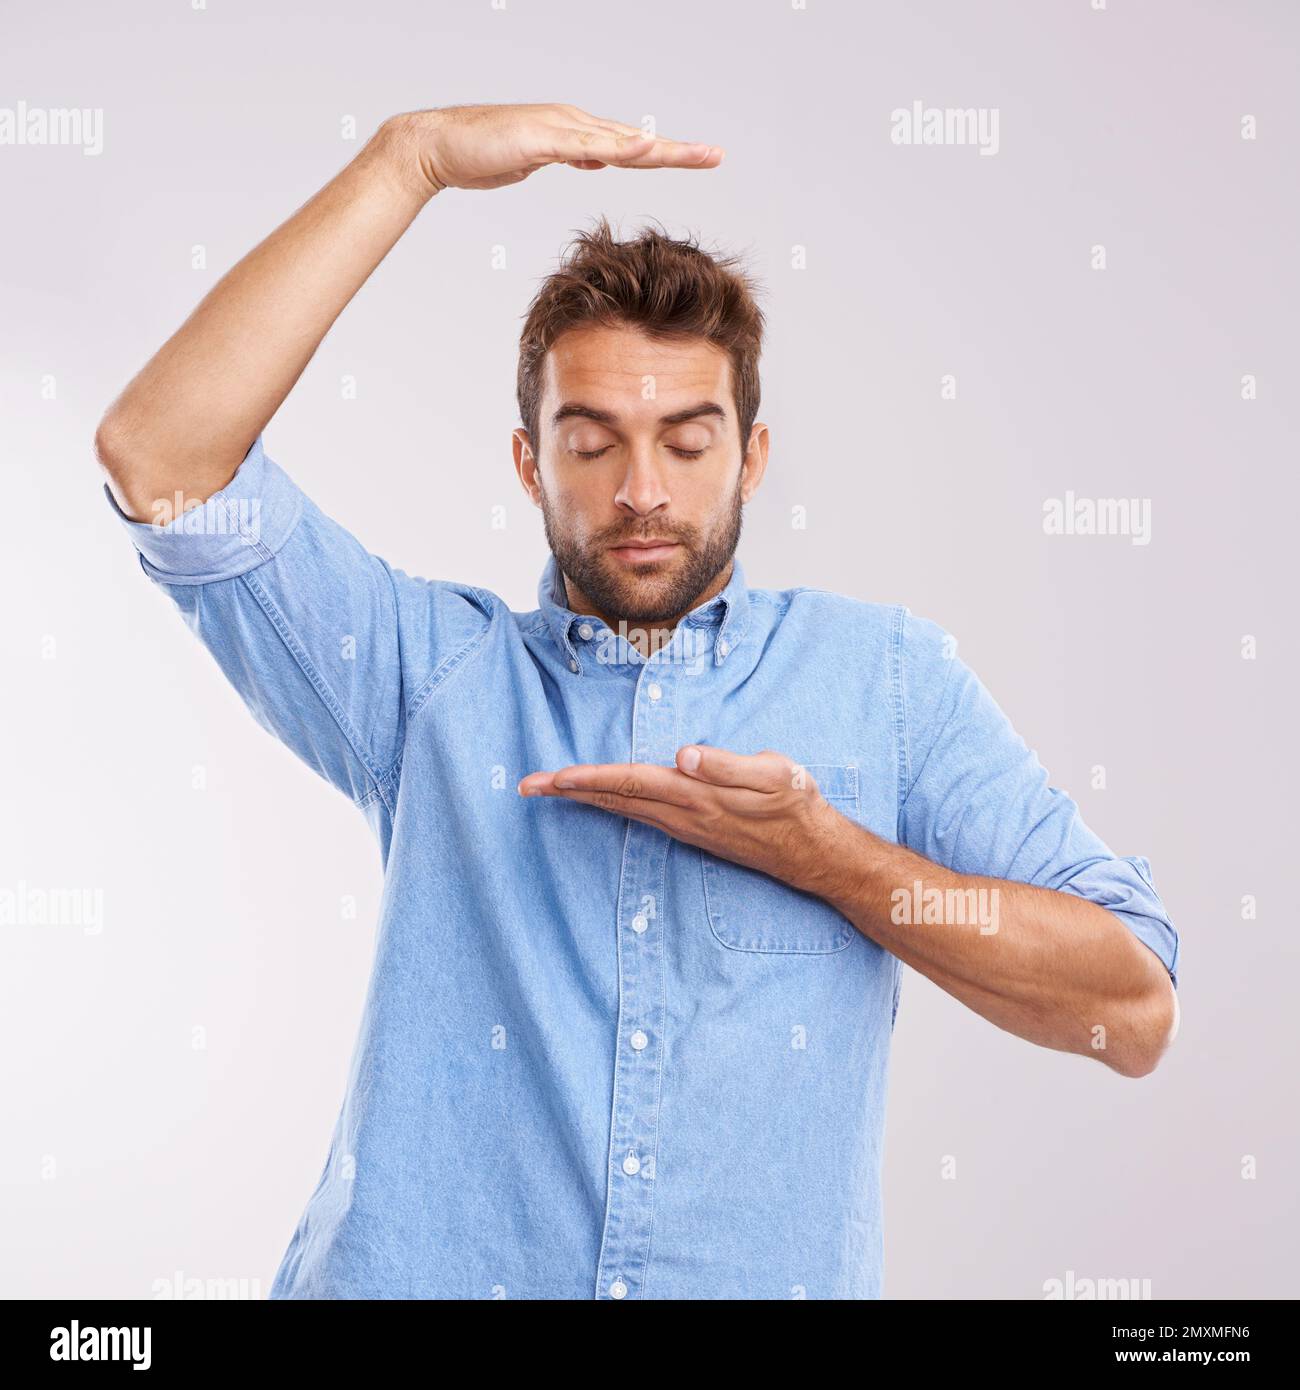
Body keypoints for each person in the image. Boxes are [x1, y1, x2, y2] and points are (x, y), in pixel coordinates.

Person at [94, 102, 1181, 1301]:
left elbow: (1129, 1004)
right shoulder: (425, 677)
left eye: (687, 439)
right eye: (592, 441)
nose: (641, 491)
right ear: (529, 462)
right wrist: (409, 161)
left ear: (752, 456)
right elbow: (160, 453)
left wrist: (828, 859)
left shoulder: (888, 680)